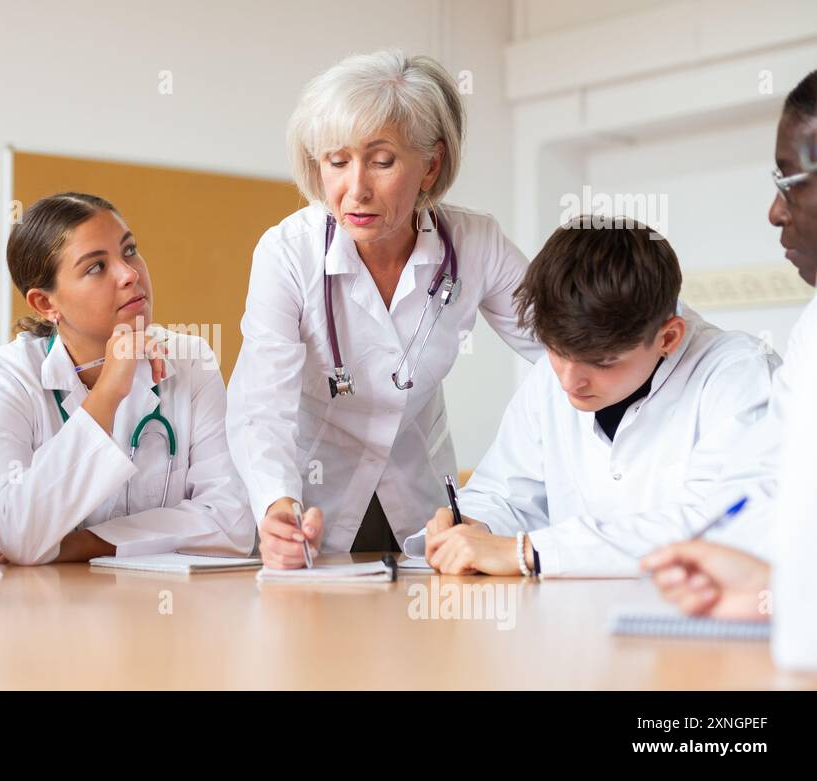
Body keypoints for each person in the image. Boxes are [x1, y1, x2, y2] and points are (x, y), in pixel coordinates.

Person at [225, 49, 540, 569]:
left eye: (381, 160)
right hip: (309, 496)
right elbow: (261, 404)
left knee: (427, 636)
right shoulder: (287, 252)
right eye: (337, 161)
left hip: (418, 499)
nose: (356, 189)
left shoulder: (474, 243)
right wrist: (277, 503)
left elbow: (568, 339)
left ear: (431, 165)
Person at [408, 218, 777, 576]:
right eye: (555, 351)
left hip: (694, 624)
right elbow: (508, 495)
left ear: (668, 338)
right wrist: (473, 528)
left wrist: (529, 553)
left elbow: (722, 521)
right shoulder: (549, 379)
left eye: (601, 362)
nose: (569, 381)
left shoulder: (739, 375)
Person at [0, 192, 255, 565]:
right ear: (45, 304)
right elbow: (17, 533)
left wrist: (81, 545)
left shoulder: (189, 360)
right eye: (96, 267)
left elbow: (232, 524)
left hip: (159, 611)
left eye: (129, 249)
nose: (130, 274)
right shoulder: (4, 379)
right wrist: (108, 392)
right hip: (39, 609)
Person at [642, 70, 817, 670]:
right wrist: (768, 584)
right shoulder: (812, 331)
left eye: (789, 181)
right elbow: (778, 492)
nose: (775, 211)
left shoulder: (737, 365)